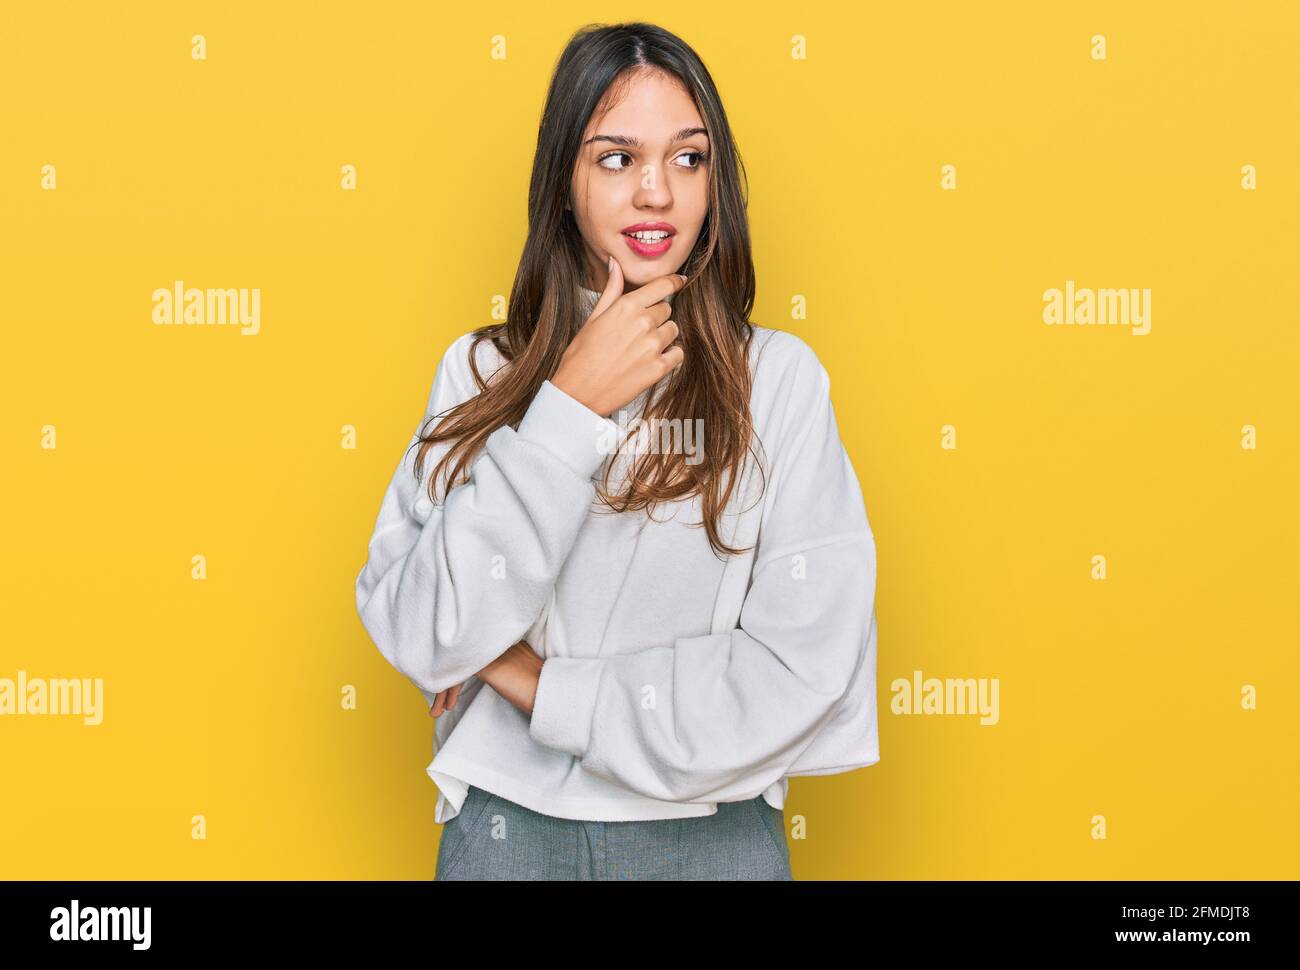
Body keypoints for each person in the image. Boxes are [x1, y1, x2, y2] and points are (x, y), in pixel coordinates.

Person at [354, 21, 879, 881]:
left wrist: (526, 677)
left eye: (687, 158)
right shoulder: (480, 371)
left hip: (715, 837)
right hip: (505, 833)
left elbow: (800, 670)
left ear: (716, 184)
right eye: (615, 158)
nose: (655, 195)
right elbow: (423, 629)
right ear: (564, 181)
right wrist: (568, 405)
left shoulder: (779, 382)